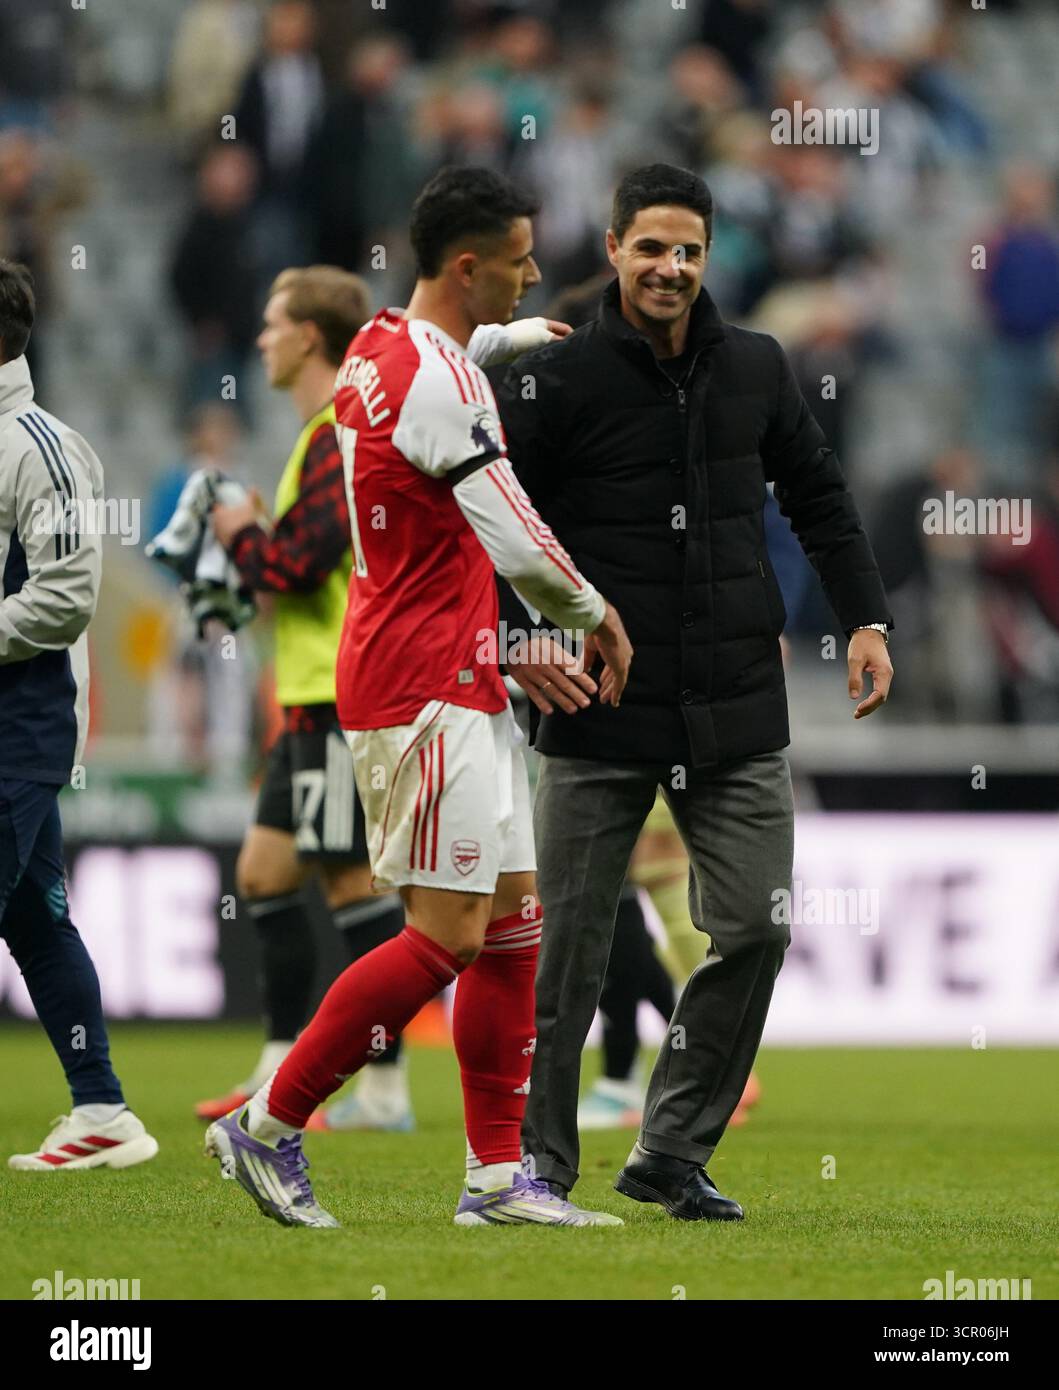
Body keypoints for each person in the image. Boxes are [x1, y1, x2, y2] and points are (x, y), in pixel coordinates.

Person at [204, 166, 633, 1229]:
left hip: (458, 671)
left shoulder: (384, 344)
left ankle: (495, 1179)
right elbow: (514, 533)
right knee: (443, 935)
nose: (537, 273)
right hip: (420, 680)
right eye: (523, 260)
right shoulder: (439, 383)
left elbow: (448, 360)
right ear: (468, 264)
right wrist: (594, 613)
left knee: (513, 927)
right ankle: (266, 1124)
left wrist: (516, 338)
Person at [494, 163, 894, 1221]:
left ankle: (671, 1149)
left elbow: (821, 497)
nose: (671, 268)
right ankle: (538, 1169)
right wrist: (517, 638)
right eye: (652, 248)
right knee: (568, 953)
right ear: (616, 249)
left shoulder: (758, 366)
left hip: (735, 705)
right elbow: (489, 522)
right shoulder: (558, 381)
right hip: (595, 705)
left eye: (690, 251)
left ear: (707, 258)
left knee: (757, 926)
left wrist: (866, 619)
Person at [196, 265, 416, 1132]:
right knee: (264, 872)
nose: (260, 338)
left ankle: (385, 1091)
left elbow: (301, 562)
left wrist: (244, 535)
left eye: (272, 322)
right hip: (306, 697)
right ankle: (279, 1065)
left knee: (350, 884)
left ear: (310, 338)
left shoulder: (335, 436)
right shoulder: (314, 437)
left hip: (336, 693)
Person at [0, 259, 157, 1171]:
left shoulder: (38, 445)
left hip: (19, 729)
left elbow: (66, 597)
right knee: (36, 919)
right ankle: (101, 1108)